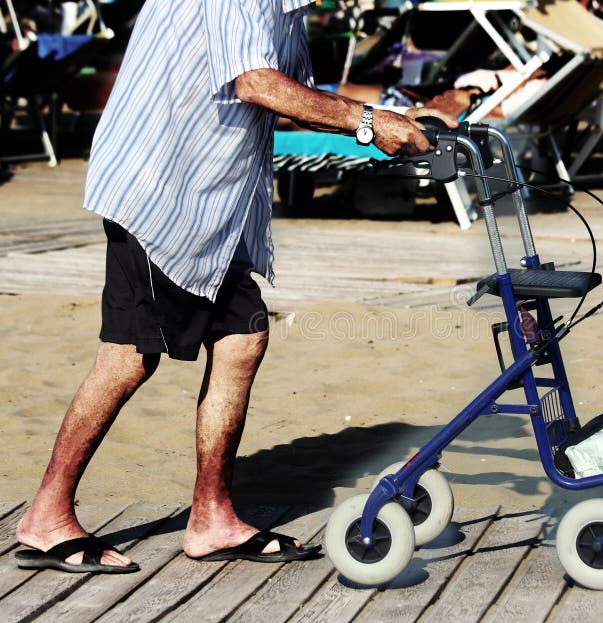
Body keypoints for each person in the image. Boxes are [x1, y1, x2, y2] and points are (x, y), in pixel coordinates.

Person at [15, 0, 456, 574]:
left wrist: (398, 112)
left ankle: (212, 517)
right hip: (160, 189)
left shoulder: (286, 10)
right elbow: (256, 84)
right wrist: (367, 122)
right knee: (130, 355)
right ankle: (46, 517)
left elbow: (299, 93)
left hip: (214, 203)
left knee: (241, 342)